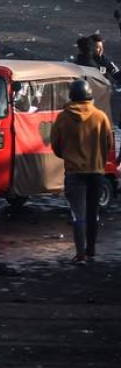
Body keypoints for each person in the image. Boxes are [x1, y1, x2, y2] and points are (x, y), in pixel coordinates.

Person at [50, 78, 116, 264]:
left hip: (74, 173)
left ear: (71, 96)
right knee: (93, 212)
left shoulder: (63, 117)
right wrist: (98, 159)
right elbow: (109, 143)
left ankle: (80, 254)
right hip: (96, 173)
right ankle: (91, 250)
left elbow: (55, 145)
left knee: (78, 214)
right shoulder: (100, 116)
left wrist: (68, 156)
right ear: (89, 96)